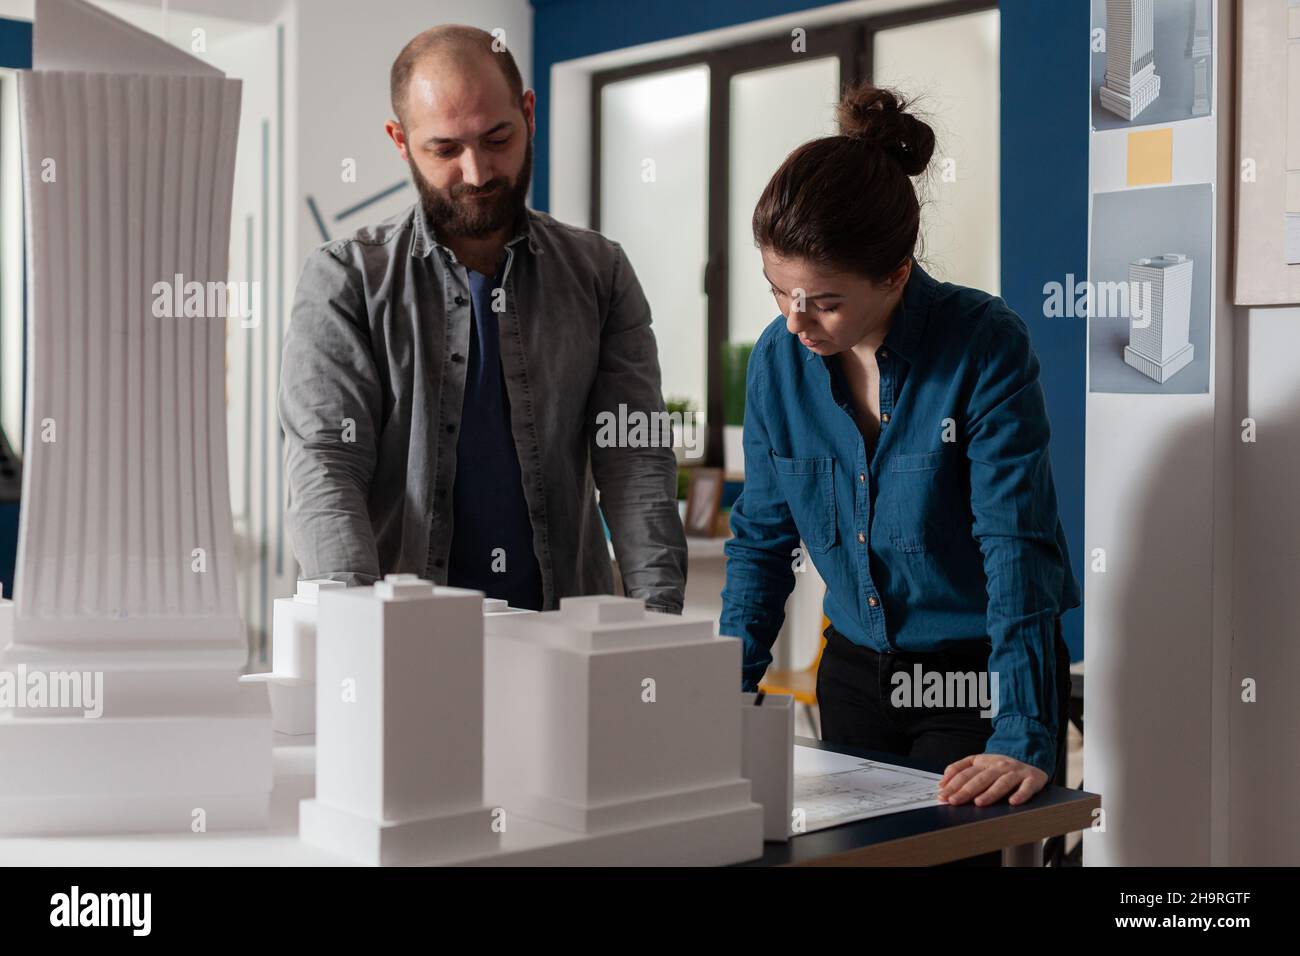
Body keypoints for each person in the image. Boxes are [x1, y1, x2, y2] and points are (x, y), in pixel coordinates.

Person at [720, 82, 1080, 823]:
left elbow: (1016, 545)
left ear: (895, 273)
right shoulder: (776, 363)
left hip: (975, 681)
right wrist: (720, 698)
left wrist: (1022, 732)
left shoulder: (983, 345)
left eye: (825, 302)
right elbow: (761, 543)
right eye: (779, 291)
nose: (796, 322)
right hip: (854, 674)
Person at [279, 25, 685, 612]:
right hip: (405, 637)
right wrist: (356, 630)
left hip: (564, 633)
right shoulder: (346, 278)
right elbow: (327, 462)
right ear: (401, 142)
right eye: (445, 150)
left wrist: (657, 623)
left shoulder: (600, 272)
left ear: (529, 114)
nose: (477, 173)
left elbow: (633, 455)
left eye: (498, 139)